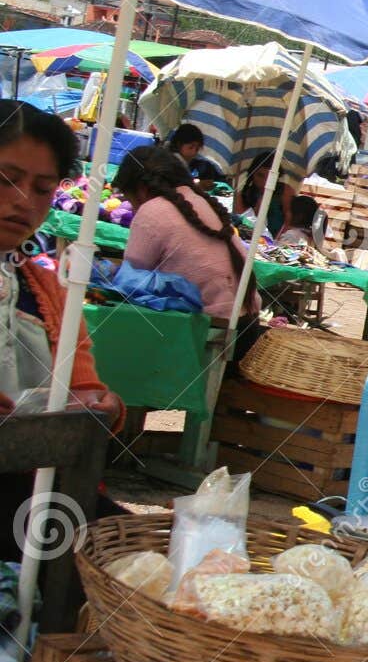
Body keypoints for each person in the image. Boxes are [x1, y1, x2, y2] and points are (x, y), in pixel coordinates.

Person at [0, 101, 124, 568]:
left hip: (33, 493)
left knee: (135, 556)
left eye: (42, 188)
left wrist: (99, 406)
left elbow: (85, 389)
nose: (23, 200)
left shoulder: (47, 289)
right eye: (6, 178)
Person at [115, 146, 260, 322]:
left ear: (142, 189)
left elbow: (130, 281)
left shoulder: (152, 211)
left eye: (131, 200)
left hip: (208, 327)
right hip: (247, 320)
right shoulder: (201, 202)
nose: (134, 208)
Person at [237, 152, 294, 240]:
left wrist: (277, 241)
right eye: (260, 175)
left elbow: (289, 221)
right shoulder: (243, 194)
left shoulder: (284, 191)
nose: (264, 181)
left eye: (269, 177)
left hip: (279, 240)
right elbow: (242, 222)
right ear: (252, 174)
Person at [168, 124, 223, 192]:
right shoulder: (174, 164)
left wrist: (197, 186)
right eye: (190, 147)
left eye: (197, 149)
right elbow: (179, 190)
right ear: (179, 144)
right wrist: (198, 187)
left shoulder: (176, 161)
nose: (194, 152)